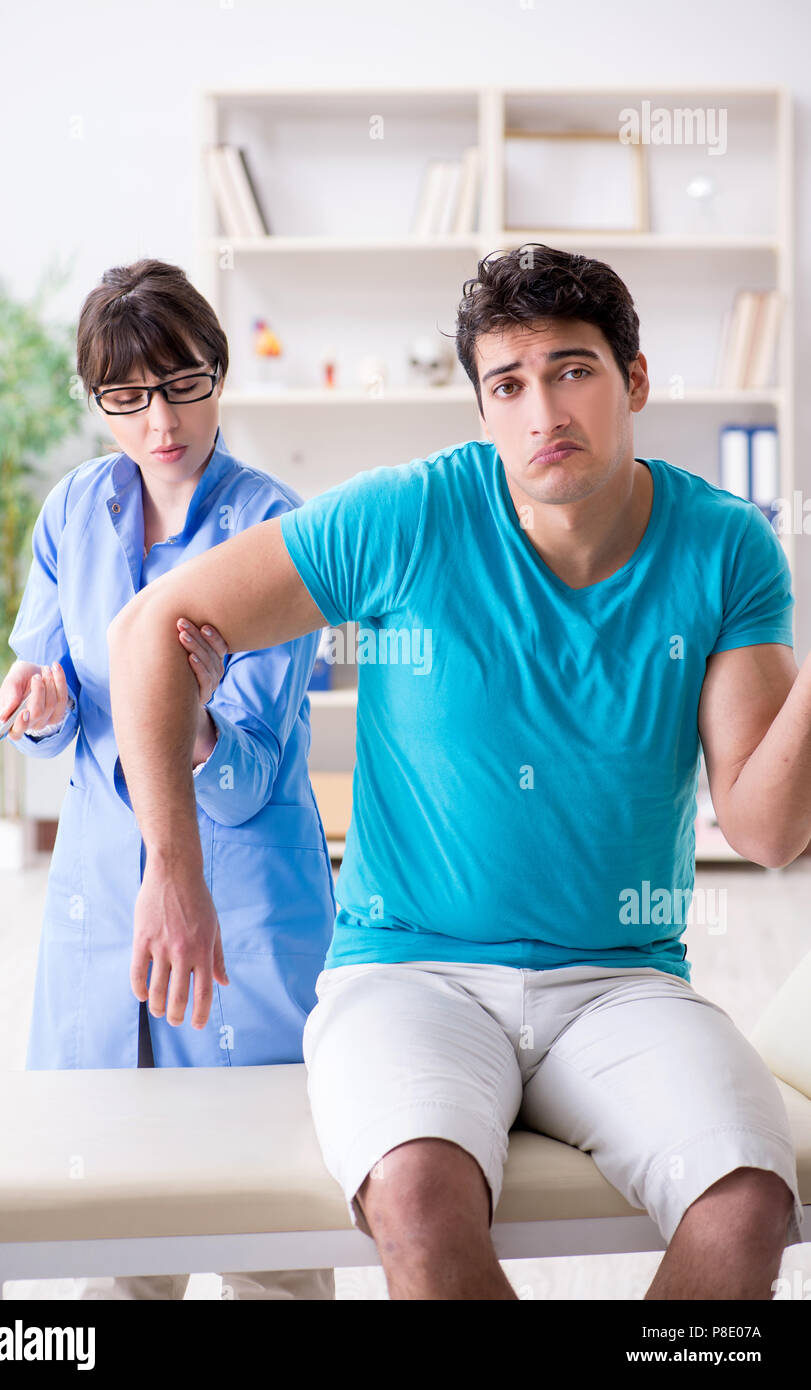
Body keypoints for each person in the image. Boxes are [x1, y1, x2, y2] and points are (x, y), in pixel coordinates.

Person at [104, 244, 806, 1300]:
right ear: (481, 407)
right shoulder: (408, 514)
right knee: (421, 1201)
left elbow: (765, 828)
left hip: (621, 982)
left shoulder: (725, 547)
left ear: (636, 382)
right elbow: (154, 627)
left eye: (572, 370)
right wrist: (174, 866)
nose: (541, 412)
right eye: (508, 385)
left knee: (749, 1199)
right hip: (407, 973)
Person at [0, 258, 336, 1301]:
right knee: (116, 1244)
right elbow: (55, 713)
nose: (161, 420)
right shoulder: (74, 512)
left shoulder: (275, 527)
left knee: (268, 1241)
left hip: (238, 908)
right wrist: (44, 712)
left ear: (219, 374)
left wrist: (196, 731)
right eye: (128, 396)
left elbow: (248, 774)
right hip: (103, 911)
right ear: (97, 399)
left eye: (184, 383)